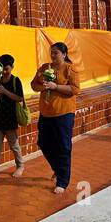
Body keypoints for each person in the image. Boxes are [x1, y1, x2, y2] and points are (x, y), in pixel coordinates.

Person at [32, 41, 81, 194]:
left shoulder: (70, 69)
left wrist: (56, 87)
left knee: (63, 146)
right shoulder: (45, 68)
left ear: (64, 54)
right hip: (46, 112)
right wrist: (43, 85)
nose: (53, 56)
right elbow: (33, 84)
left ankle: (63, 181)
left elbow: (75, 89)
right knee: (43, 142)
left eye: (56, 53)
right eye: (51, 52)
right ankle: (58, 168)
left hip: (64, 113)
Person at [0, 53, 25, 185]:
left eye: (7, 69)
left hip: (10, 118)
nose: (5, 72)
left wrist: (5, 92)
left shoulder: (15, 80)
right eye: (3, 69)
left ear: (12, 67)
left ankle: (20, 165)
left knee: (14, 145)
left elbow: (20, 98)